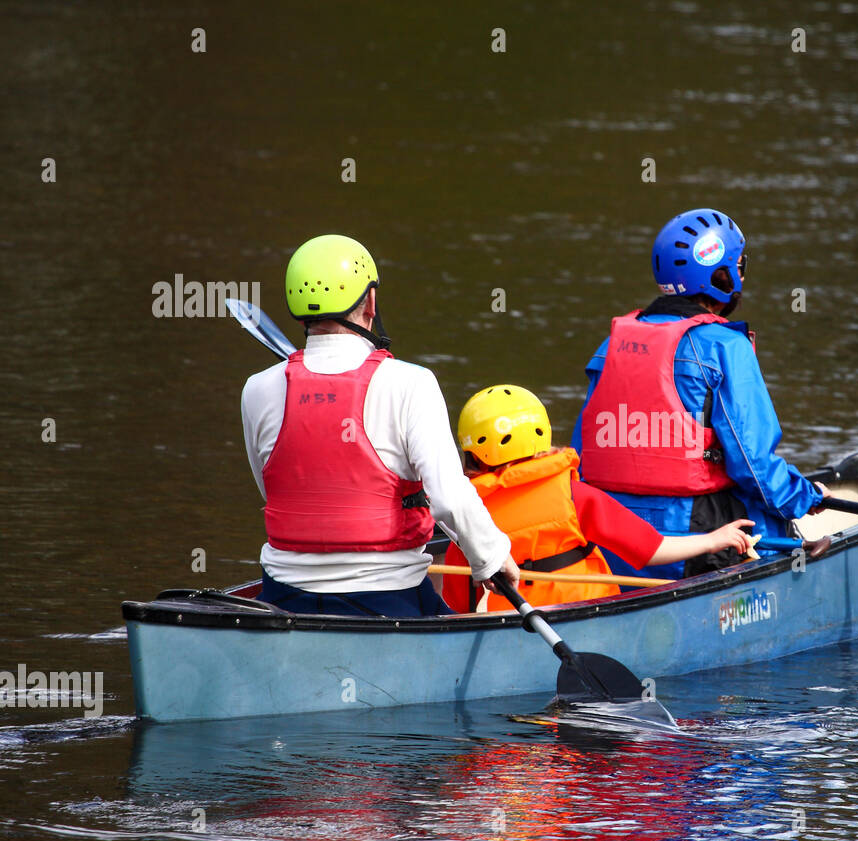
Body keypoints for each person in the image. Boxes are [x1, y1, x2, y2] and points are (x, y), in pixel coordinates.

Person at [240, 234, 519, 616]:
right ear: (371, 301)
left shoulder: (257, 389)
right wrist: (490, 558)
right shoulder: (412, 383)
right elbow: (450, 499)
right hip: (386, 598)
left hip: (284, 598)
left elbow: (272, 489)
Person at [572, 208, 826, 579]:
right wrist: (804, 496)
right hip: (691, 541)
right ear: (722, 276)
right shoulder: (725, 346)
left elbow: (582, 454)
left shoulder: (613, 344)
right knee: (770, 510)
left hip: (613, 540)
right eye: (739, 265)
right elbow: (754, 467)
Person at [441, 384, 753, 612]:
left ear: (473, 453)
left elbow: (458, 602)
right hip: (586, 615)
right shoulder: (575, 496)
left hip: (507, 623)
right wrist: (714, 539)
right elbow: (651, 550)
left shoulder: (468, 515)